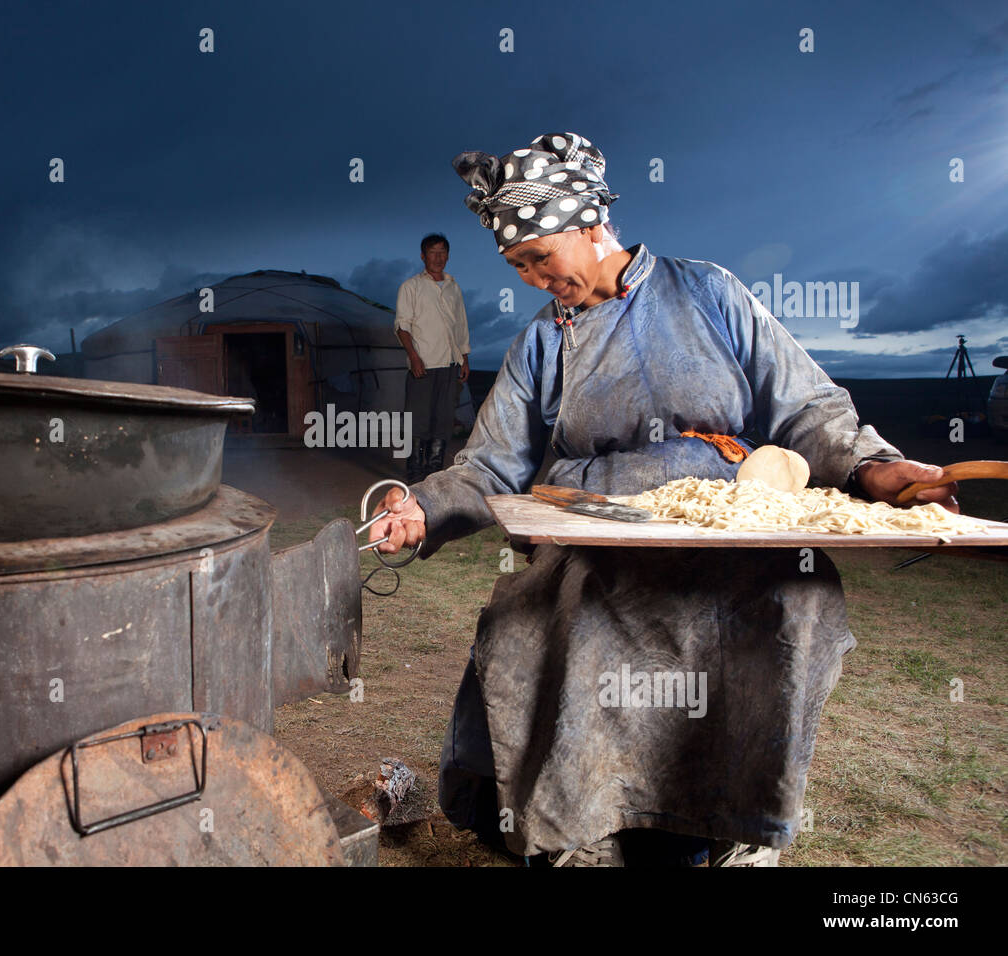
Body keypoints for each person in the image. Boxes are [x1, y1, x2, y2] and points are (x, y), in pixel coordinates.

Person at [368, 132, 958, 866]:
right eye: (517, 267)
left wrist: (874, 469)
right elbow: (490, 465)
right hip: (596, 534)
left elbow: (806, 408)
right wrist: (422, 507)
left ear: (591, 226)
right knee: (572, 613)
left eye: (538, 259)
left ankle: (730, 825)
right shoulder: (542, 345)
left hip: (732, 531)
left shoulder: (708, 292)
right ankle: (593, 830)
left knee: (798, 601)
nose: (531, 280)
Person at [395, 234, 471, 483]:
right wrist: (414, 358)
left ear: (448, 256)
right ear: (422, 256)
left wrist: (465, 358)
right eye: (432, 252)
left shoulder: (454, 287)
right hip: (424, 365)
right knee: (418, 421)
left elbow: (461, 326)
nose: (438, 257)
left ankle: (435, 474)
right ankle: (415, 476)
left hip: (450, 364)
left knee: (443, 420)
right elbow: (402, 327)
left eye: (442, 252)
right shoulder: (411, 287)